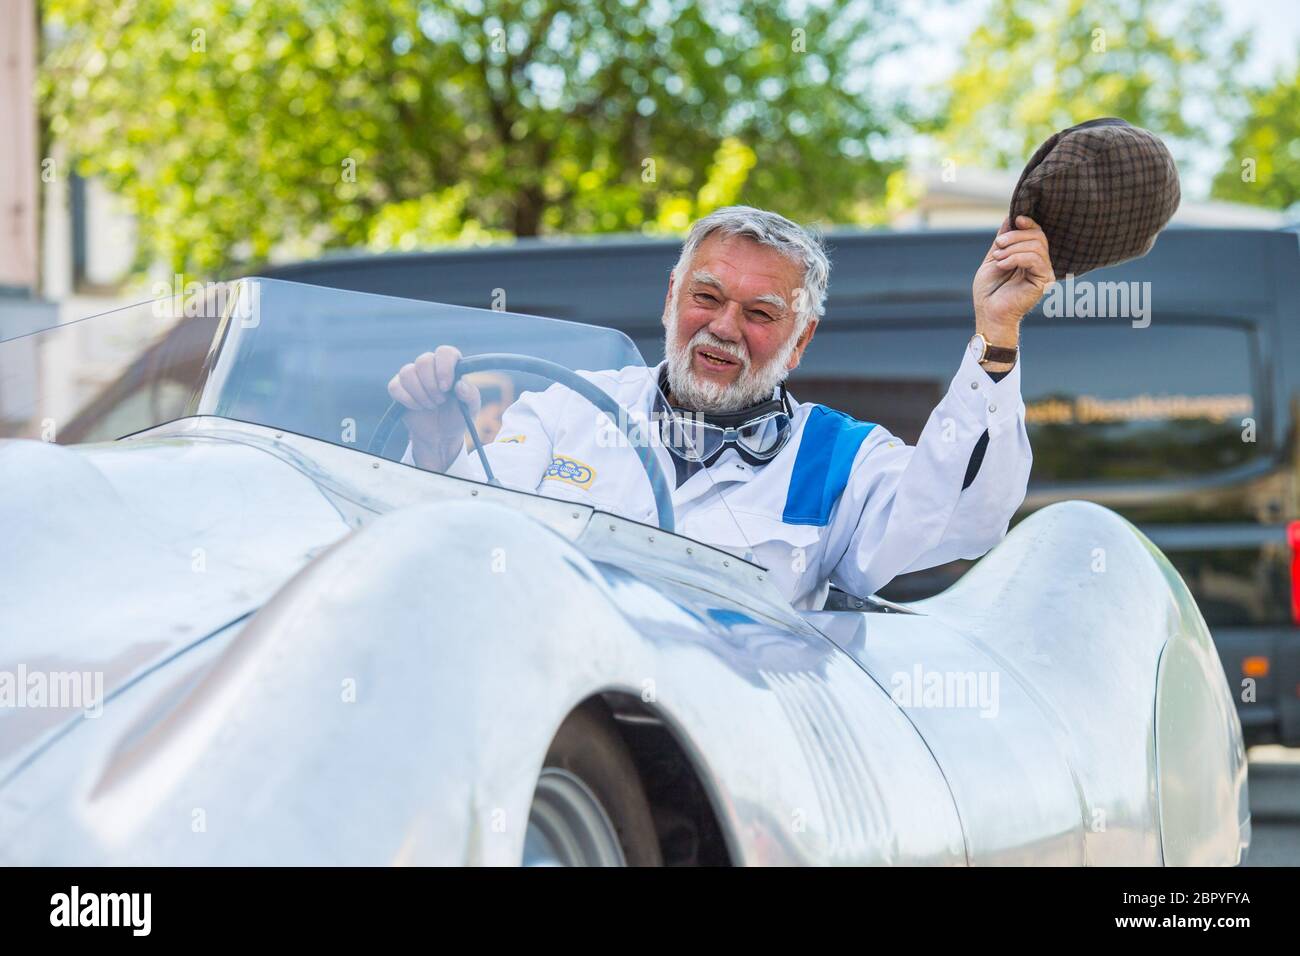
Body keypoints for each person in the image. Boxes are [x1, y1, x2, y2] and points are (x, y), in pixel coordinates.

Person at [389, 206, 1050, 609]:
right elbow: (473, 538)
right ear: (672, 296)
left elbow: (964, 516)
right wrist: (439, 446)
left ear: (801, 340)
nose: (725, 328)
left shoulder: (838, 458)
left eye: (760, 313)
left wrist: (995, 336)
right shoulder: (569, 407)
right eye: (707, 298)